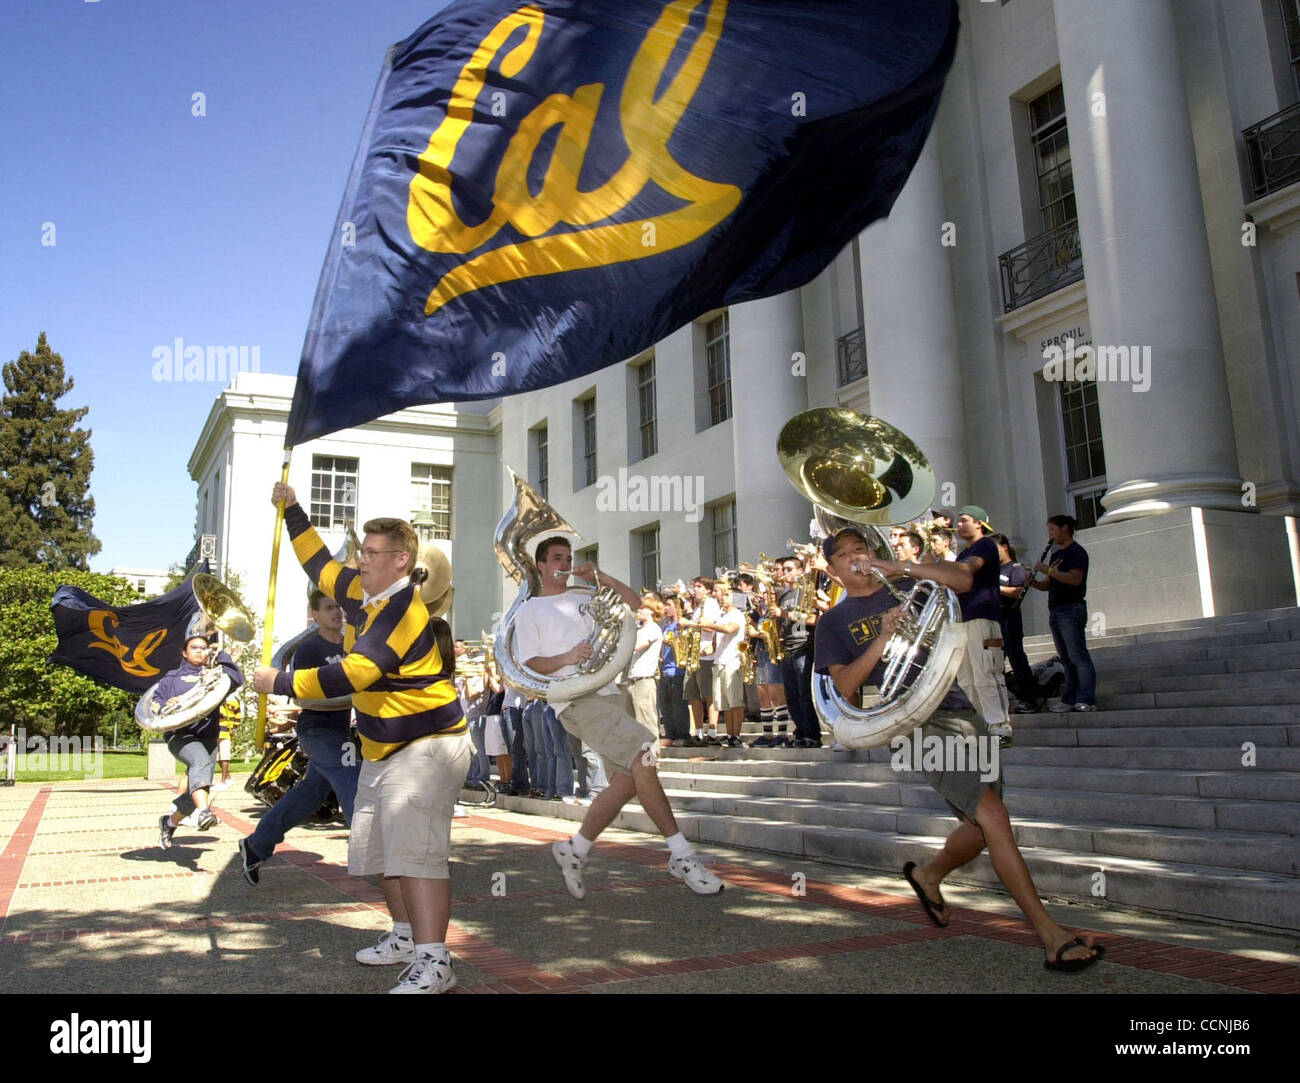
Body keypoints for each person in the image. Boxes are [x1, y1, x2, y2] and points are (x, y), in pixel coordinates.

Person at [815, 527, 1105, 972]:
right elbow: (847, 685)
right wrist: (882, 638)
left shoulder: (909, 583)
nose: (857, 557)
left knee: (978, 827)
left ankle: (928, 875)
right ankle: (1050, 935)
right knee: (993, 816)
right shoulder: (833, 622)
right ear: (832, 569)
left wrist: (901, 566)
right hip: (917, 722)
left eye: (862, 549)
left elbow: (966, 582)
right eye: (845, 554)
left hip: (963, 705)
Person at [253, 483, 469, 994]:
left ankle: (436, 961)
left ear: (401, 561)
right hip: (383, 748)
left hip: (427, 747)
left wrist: (279, 683)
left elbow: (353, 675)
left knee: (416, 856)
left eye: (372, 554)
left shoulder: (402, 611)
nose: (360, 560)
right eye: (361, 551)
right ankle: (402, 935)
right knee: (377, 851)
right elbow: (318, 564)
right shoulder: (360, 589)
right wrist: (292, 508)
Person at [512, 536, 724, 897]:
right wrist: (567, 657)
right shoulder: (529, 610)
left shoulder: (582, 594)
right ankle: (681, 854)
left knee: (626, 782)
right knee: (645, 755)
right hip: (575, 698)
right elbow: (530, 662)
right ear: (541, 566)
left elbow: (637, 605)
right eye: (558, 558)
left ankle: (575, 849)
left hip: (610, 692)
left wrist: (602, 577)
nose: (565, 564)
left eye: (569, 557)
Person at [239, 590, 360, 885]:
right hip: (316, 731)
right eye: (329, 608)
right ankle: (372, 847)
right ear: (315, 614)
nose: (337, 613)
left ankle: (256, 845)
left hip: (342, 732)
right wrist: (349, 697)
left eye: (338, 608)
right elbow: (305, 696)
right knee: (350, 775)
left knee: (310, 795)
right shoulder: (309, 651)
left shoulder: (350, 646)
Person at [156, 632, 245, 846]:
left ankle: (169, 822)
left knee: (197, 790)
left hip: (208, 736)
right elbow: (155, 703)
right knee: (200, 763)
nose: (199, 650)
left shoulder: (214, 677)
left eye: (203, 647)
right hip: (179, 734)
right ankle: (206, 812)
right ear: (184, 653)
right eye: (194, 647)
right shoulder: (171, 677)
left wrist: (221, 654)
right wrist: (167, 704)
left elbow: (237, 679)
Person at [953, 506, 1013, 745]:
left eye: (964, 520)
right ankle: (976, 728)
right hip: (962, 619)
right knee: (967, 678)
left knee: (986, 673)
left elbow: (969, 569)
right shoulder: (961, 554)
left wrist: (937, 565)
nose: (959, 525)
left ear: (979, 523)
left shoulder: (985, 545)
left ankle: (999, 726)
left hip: (982, 616)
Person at [1032, 514, 1098, 712]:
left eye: (1053, 529)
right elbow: (1048, 585)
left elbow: (1074, 579)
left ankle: (1086, 698)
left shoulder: (1076, 552)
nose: (1051, 534)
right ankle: (1069, 698)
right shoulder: (1056, 555)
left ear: (1065, 529)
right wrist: (1032, 581)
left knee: (1078, 655)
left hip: (1071, 608)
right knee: (1065, 658)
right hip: (1056, 609)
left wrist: (1048, 570)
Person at [693, 580, 746, 747]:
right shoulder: (722, 616)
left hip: (732, 661)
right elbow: (715, 645)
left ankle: (736, 734)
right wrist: (699, 653)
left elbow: (731, 629)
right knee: (724, 703)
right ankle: (729, 734)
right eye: (722, 595)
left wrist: (709, 625)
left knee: (734, 702)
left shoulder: (737, 614)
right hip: (719, 661)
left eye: (727, 595)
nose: (723, 597)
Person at [992, 534, 1037, 713]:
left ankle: (1028, 698)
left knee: (1016, 658)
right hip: (993, 620)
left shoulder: (1015, 567)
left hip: (1009, 618)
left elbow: (1018, 591)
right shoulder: (993, 570)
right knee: (994, 662)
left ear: (1004, 546)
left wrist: (995, 587)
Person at [681, 577, 720, 745]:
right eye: (694, 586)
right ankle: (698, 733)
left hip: (706, 655)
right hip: (693, 655)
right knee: (693, 696)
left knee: (708, 695)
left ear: (708, 590)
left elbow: (710, 626)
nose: (695, 589)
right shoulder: (698, 607)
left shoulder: (710, 604)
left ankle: (712, 732)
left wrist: (689, 623)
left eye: (699, 586)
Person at [658, 596, 691, 746]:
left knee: (678, 705)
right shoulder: (665, 625)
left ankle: (682, 735)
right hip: (664, 669)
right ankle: (670, 734)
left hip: (677, 670)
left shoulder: (680, 624)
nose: (665, 608)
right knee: (665, 705)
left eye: (669, 605)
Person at [214, 696, 239, 789]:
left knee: (224, 756)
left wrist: (234, 728)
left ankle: (223, 781)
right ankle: (228, 778)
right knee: (217, 757)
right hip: (215, 731)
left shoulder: (233, 701)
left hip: (225, 731)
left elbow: (238, 716)